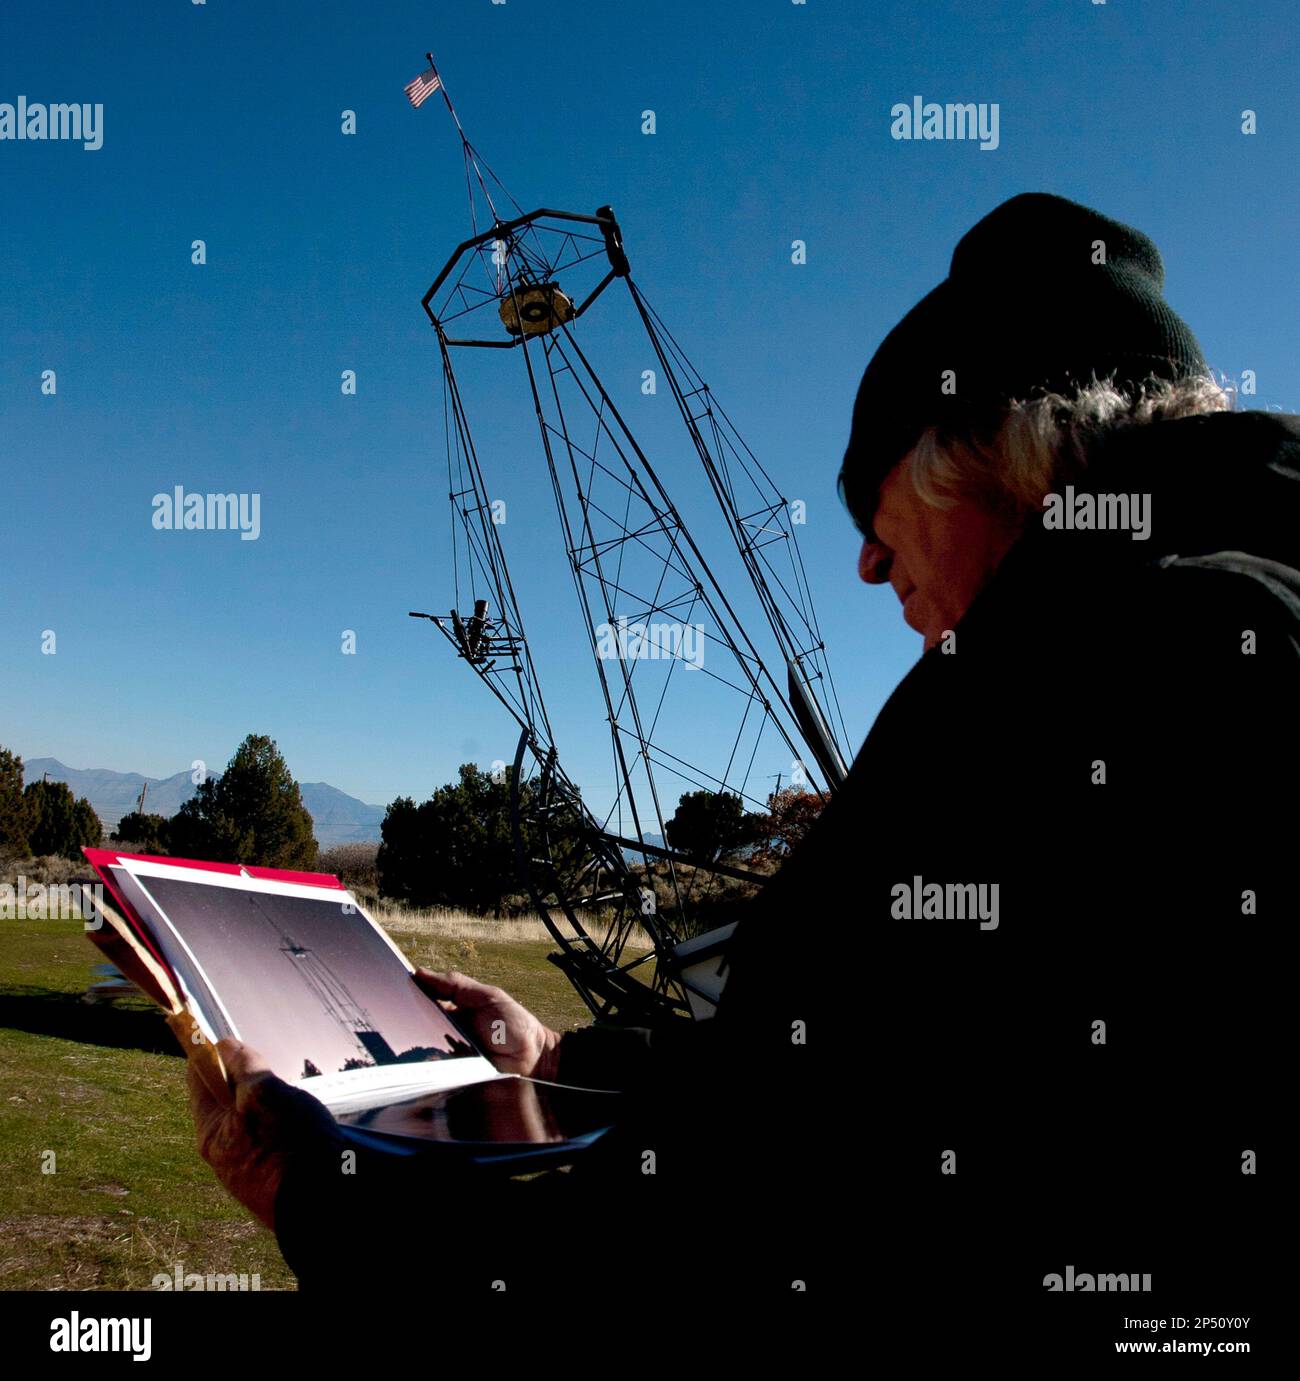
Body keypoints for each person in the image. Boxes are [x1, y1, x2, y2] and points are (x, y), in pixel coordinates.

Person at [184, 193, 1296, 1312]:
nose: (866, 564)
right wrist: (563, 1058)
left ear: (993, 444)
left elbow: (730, 1223)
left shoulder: (1107, 671)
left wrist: (316, 1193)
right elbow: (849, 1089)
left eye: (876, 499)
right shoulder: (1209, 619)